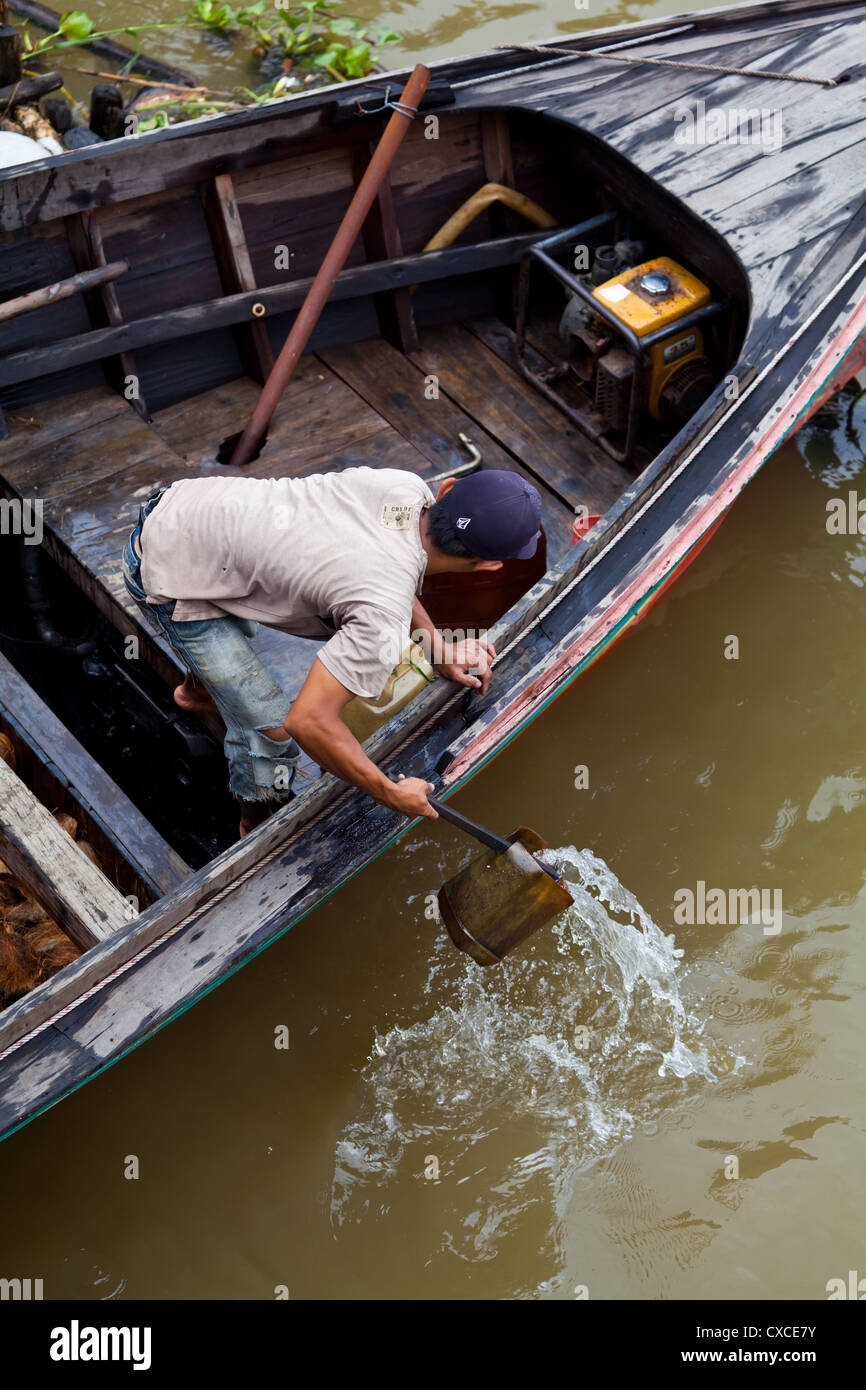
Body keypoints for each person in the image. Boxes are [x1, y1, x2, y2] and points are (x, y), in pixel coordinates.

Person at [122, 466, 542, 838]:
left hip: (190, 505)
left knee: (239, 670)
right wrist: (391, 793)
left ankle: (197, 692)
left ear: (446, 488)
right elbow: (308, 722)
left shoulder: (402, 490)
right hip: (165, 569)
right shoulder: (383, 613)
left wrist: (439, 650)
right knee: (271, 733)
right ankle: (251, 825)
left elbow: (393, 565)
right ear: (489, 565)